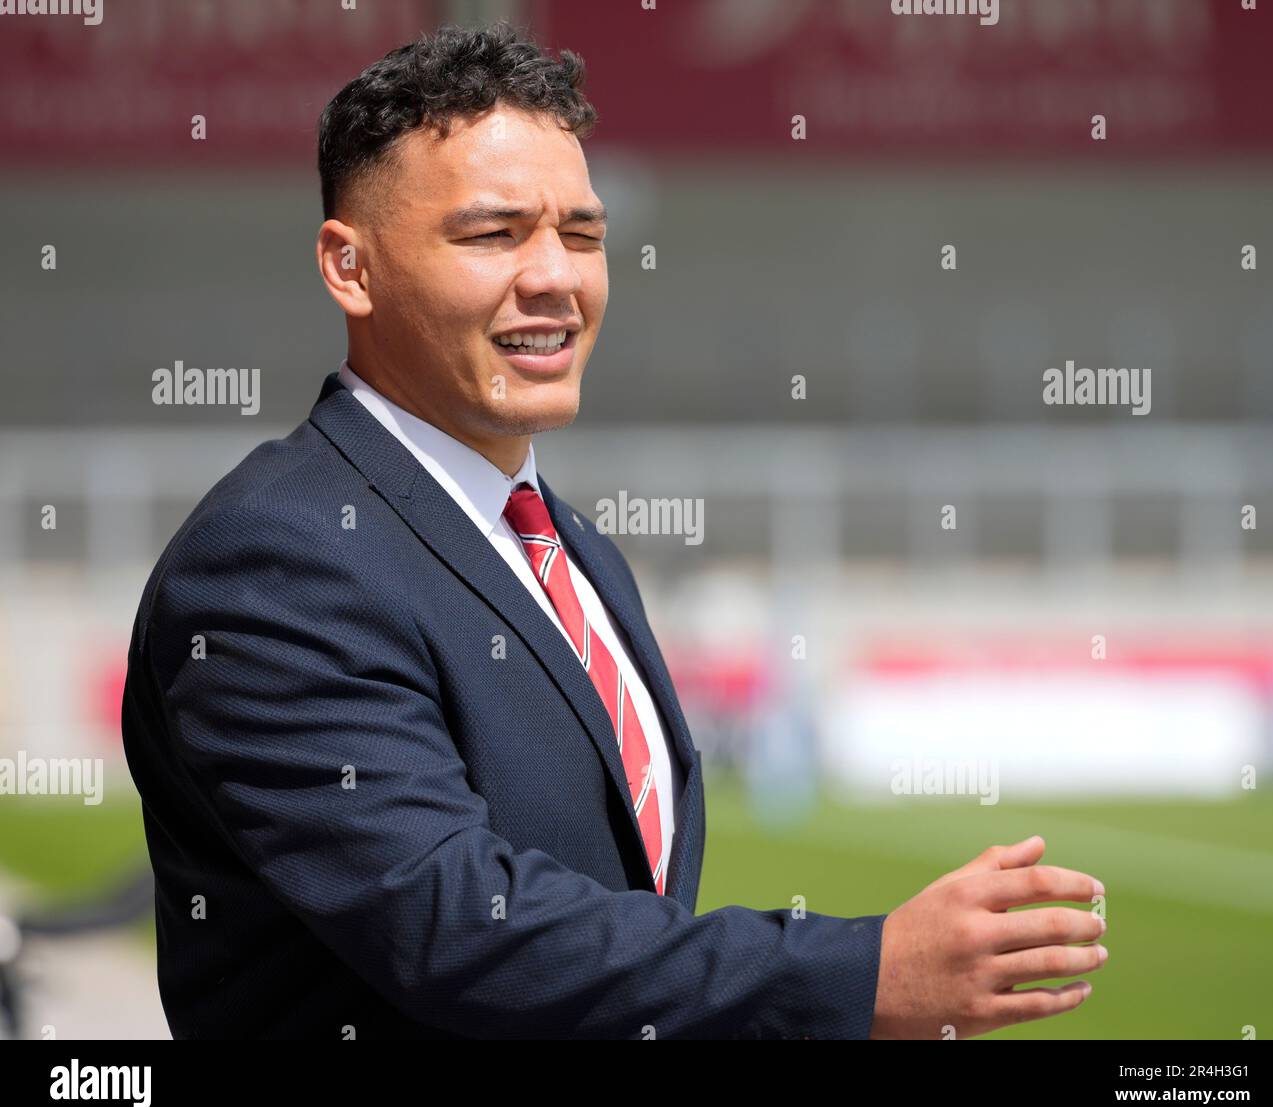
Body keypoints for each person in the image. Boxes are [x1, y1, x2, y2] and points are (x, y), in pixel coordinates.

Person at [120, 21, 1107, 1039]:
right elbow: (458, 929)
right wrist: (856, 975)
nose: (556, 277)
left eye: (582, 234)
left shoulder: (571, 549)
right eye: (493, 234)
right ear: (350, 268)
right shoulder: (277, 559)